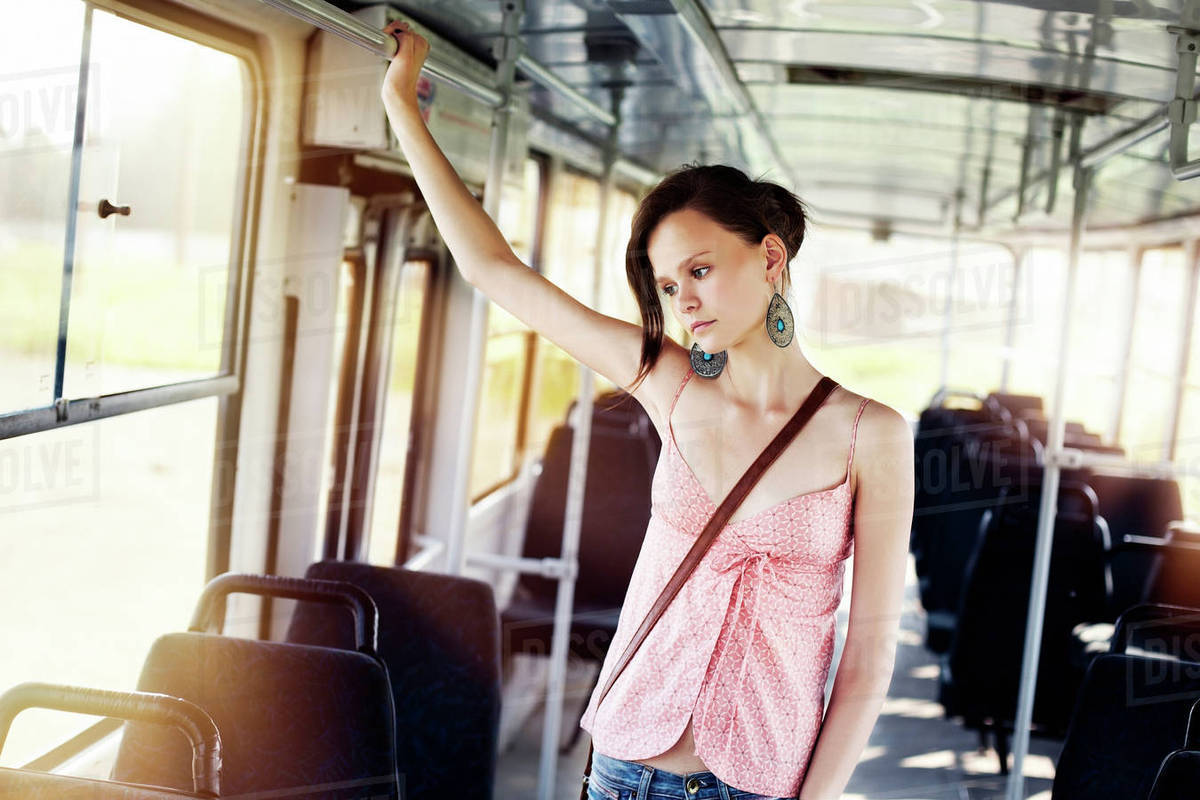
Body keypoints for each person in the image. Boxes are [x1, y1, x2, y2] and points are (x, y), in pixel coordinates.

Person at [380, 19, 914, 800]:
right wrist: (402, 106)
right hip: (626, 771)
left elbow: (868, 665)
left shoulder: (872, 434)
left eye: (699, 269)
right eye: (667, 285)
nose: (683, 300)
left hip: (759, 787)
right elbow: (494, 271)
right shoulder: (670, 384)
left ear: (769, 256)